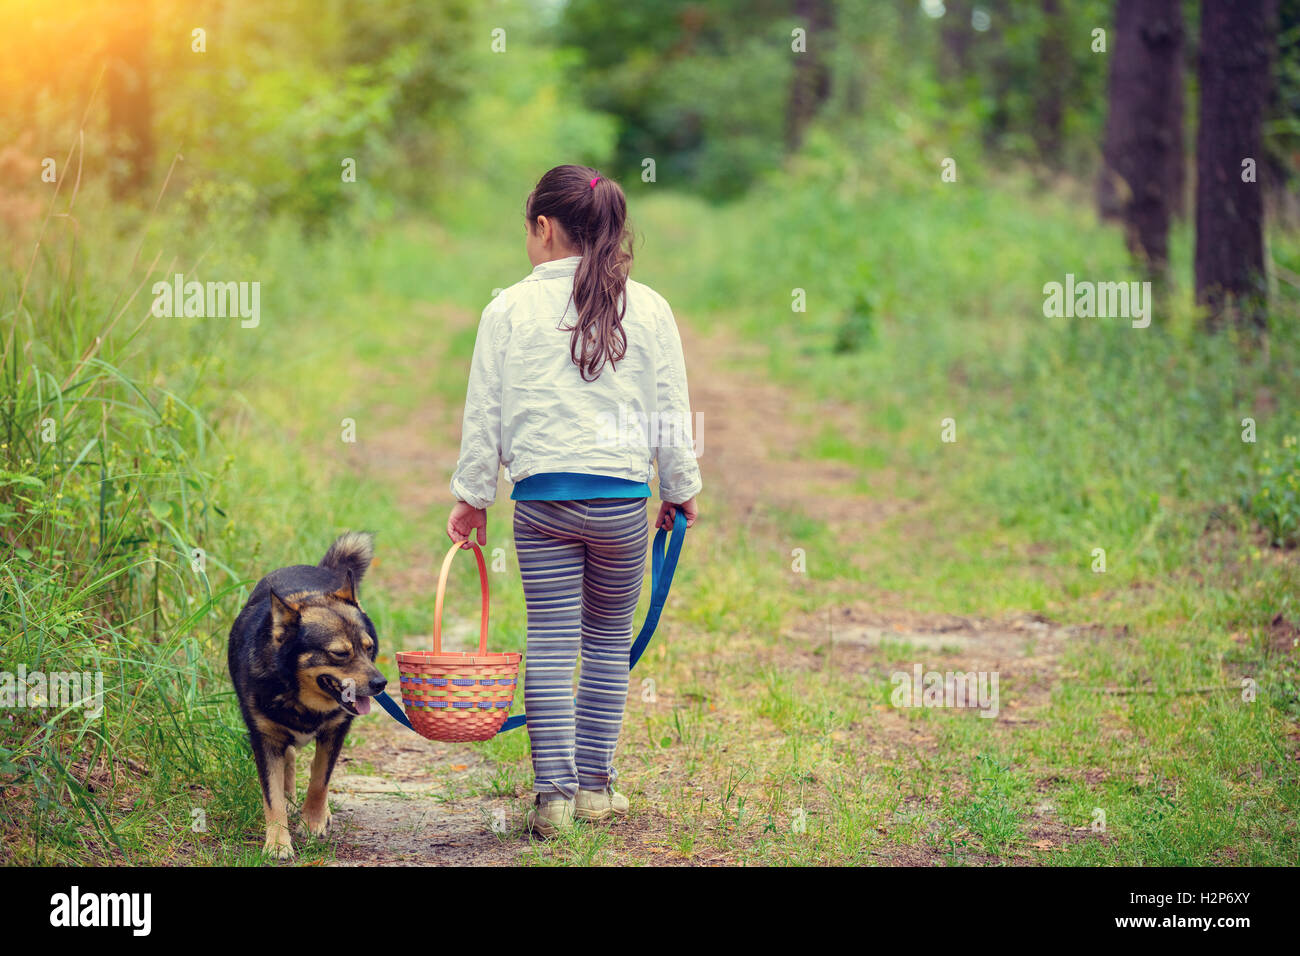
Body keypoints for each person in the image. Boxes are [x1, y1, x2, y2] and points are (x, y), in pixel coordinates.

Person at [446, 164, 701, 837]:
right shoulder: (648, 307)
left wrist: (473, 497)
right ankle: (597, 789)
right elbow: (671, 411)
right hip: (621, 505)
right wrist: (679, 487)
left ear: (542, 226)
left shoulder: (506, 309)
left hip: (543, 505)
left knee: (553, 642)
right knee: (609, 641)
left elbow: (485, 415)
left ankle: (553, 798)